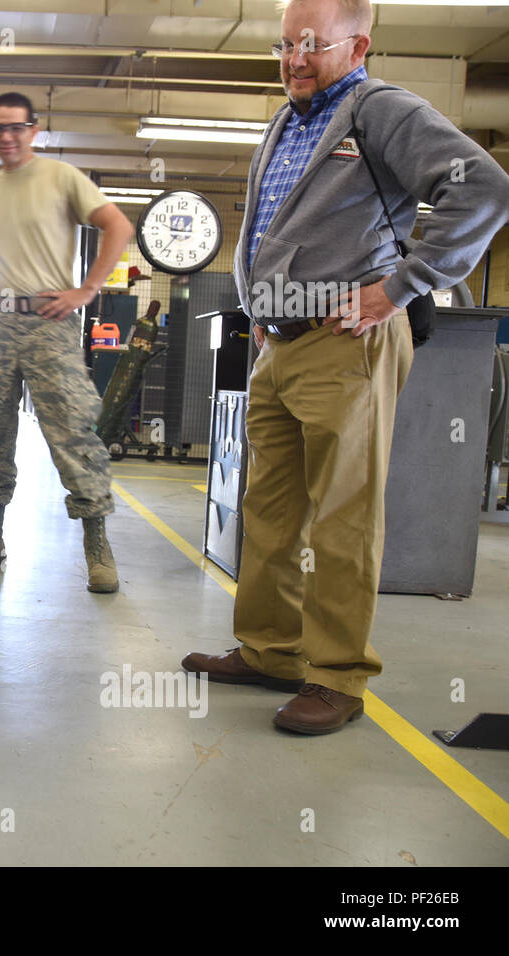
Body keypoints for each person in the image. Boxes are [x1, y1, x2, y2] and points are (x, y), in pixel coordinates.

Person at [183, 0, 509, 734]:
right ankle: (271, 650)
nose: (295, 59)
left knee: (343, 517)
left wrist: (398, 287)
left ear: (357, 44)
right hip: (281, 340)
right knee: (269, 512)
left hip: (346, 340)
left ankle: (338, 677)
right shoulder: (290, 118)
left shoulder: (381, 110)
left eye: (312, 45)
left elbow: (485, 190)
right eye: (284, 45)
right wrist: (264, 313)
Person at [0, 91, 134, 592]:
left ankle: (96, 543)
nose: (6, 137)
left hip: (50, 322)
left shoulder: (61, 178)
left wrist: (87, 290)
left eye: (15, 127)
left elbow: (117, 225)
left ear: (34, 130)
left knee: (73, 429)